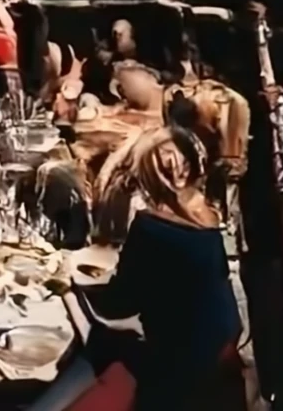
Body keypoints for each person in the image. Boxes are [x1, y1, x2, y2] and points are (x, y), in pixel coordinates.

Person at [82, 127, 244, 411]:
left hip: (181, 365)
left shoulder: (151, 226)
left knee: (94, 345)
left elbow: (118, 306)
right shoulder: (208, 215)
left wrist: (78, 289)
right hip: (222, 346)